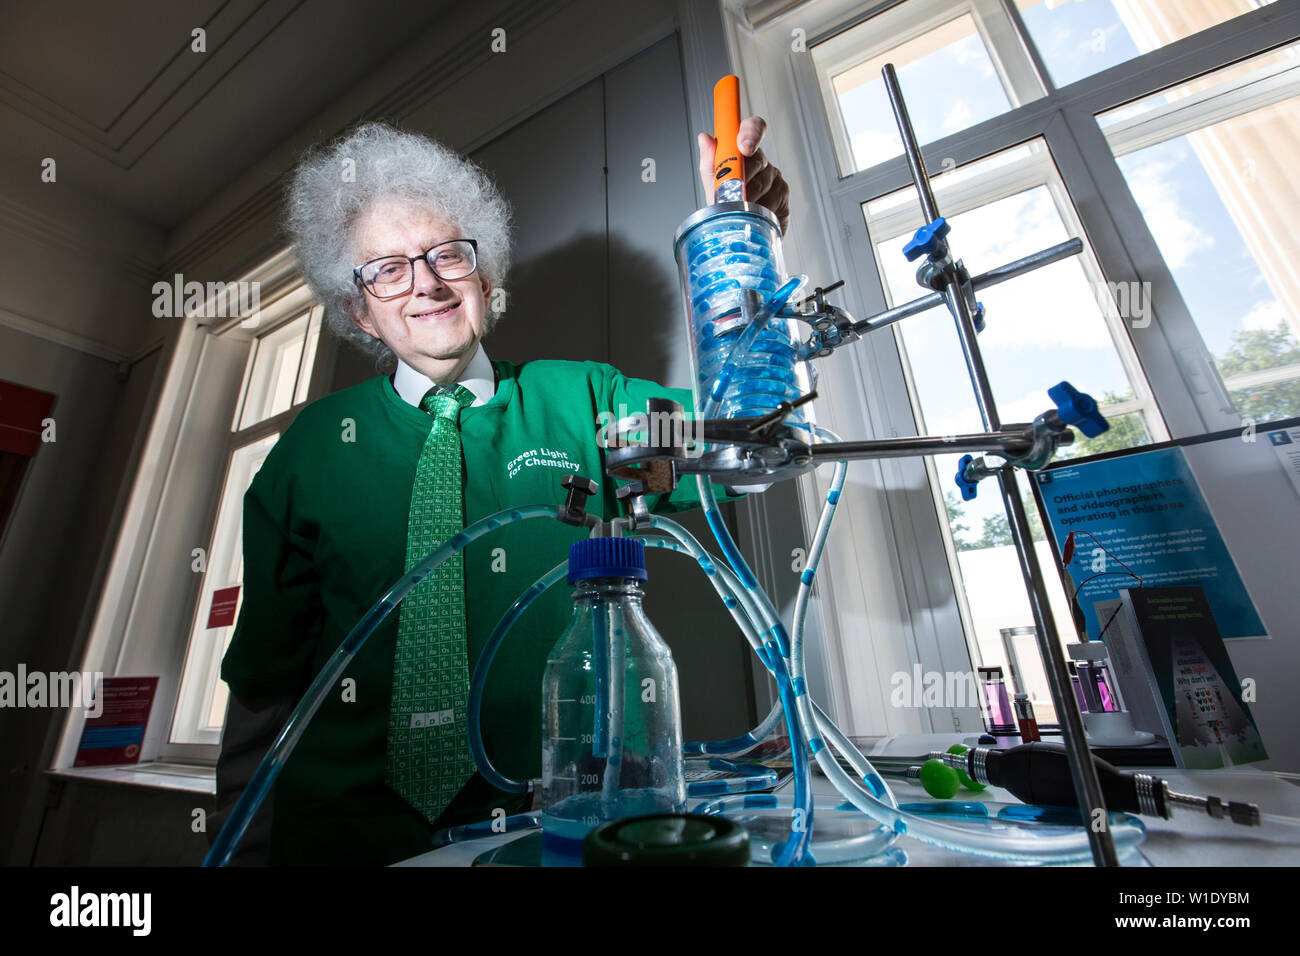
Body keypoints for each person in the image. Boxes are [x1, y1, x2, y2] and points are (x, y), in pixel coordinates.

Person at [213, 116, 791, 866]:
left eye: (445, 254)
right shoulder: (311, 450)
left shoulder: (587, 405)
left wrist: (747, 251)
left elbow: (752, 440)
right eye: (386, 269)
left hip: (551, 838)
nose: (424, 282)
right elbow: (264, 689)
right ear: (358, 310)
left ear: (484, 276)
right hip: (340, 845)